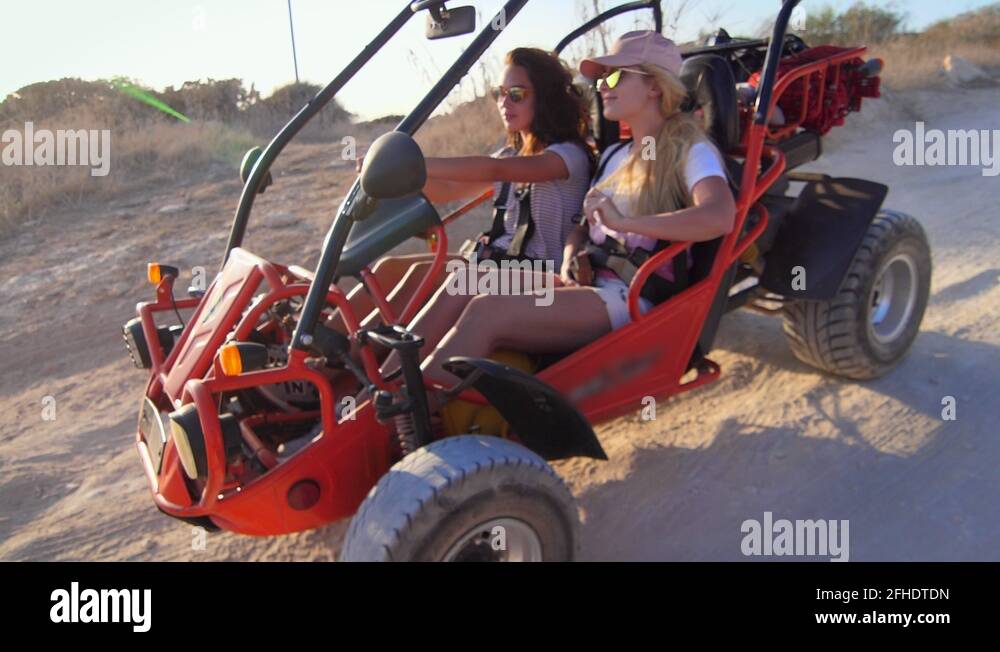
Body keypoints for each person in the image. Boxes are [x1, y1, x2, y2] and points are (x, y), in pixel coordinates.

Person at [414, 31, 737, 384]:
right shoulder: (616, 154)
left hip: (628, 296)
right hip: (587, 281)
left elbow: (719, 216)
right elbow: (582, 226)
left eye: (615, 76)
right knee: (469, 280)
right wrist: (572, 254)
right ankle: (387, 384)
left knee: (486, 312)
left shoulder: (690, 149)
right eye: (600, 78)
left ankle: (408, 410)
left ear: (654, 86)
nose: (602, 87)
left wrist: (629, 222)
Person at [333, 47, 593, 334]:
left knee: (461, 281)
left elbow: (496, 171)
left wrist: (412, 162)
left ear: (545, 98)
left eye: (516, 94)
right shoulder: (510, 154)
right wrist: (388, 178)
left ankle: (373, 359)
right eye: (499, 93)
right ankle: (325, 347)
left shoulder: (567, 157)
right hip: (502, 264)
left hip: (545, 275)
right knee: (392, 268)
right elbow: (446, 189)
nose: (505, 102)